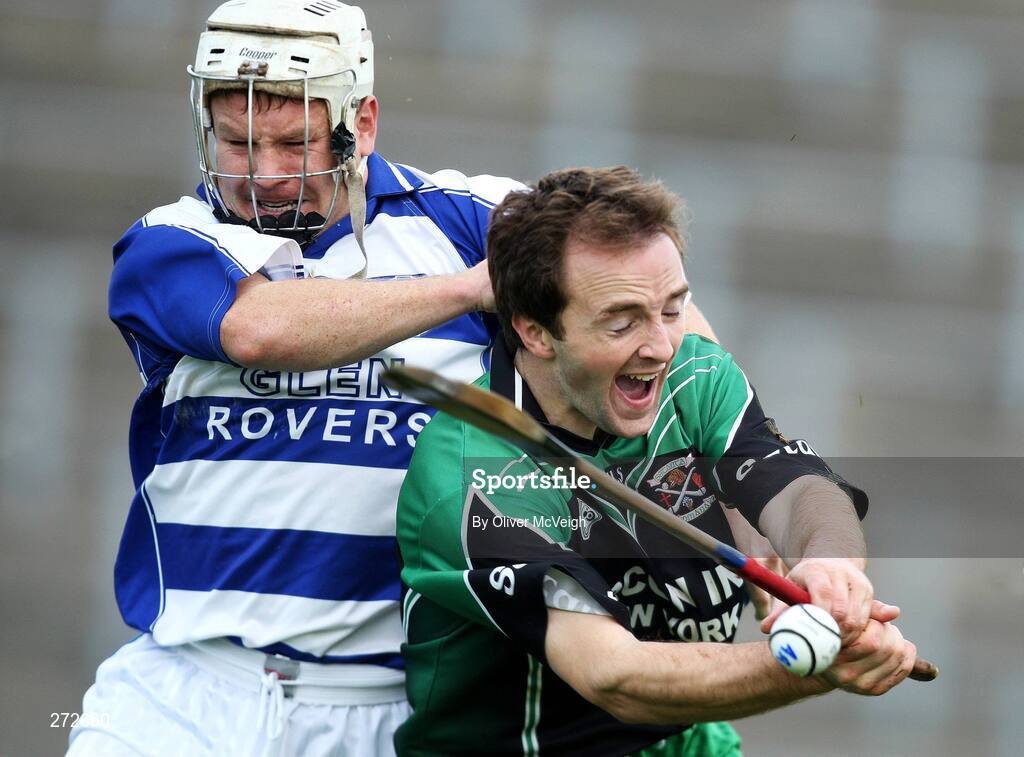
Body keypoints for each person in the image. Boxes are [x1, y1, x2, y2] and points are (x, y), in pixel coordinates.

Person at [70, 2, 720, 755]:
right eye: (238, 143)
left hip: (384, 706)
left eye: (295, 143)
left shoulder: (470, 216)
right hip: (182, 694)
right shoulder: (172, 239)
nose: (266, 176)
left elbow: (678, 337)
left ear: (363, 122)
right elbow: (257, 329)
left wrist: (768, 504)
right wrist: (473, 289)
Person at [395, 166, 918, 756]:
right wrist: (809, 666)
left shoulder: (696, 379)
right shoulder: (473, 477)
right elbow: (613, 677)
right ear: (536, 332)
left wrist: (831, 568)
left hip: (687, 743)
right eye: (622, 322)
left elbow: (795, 485)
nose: (663, 346)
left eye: (673, 309)